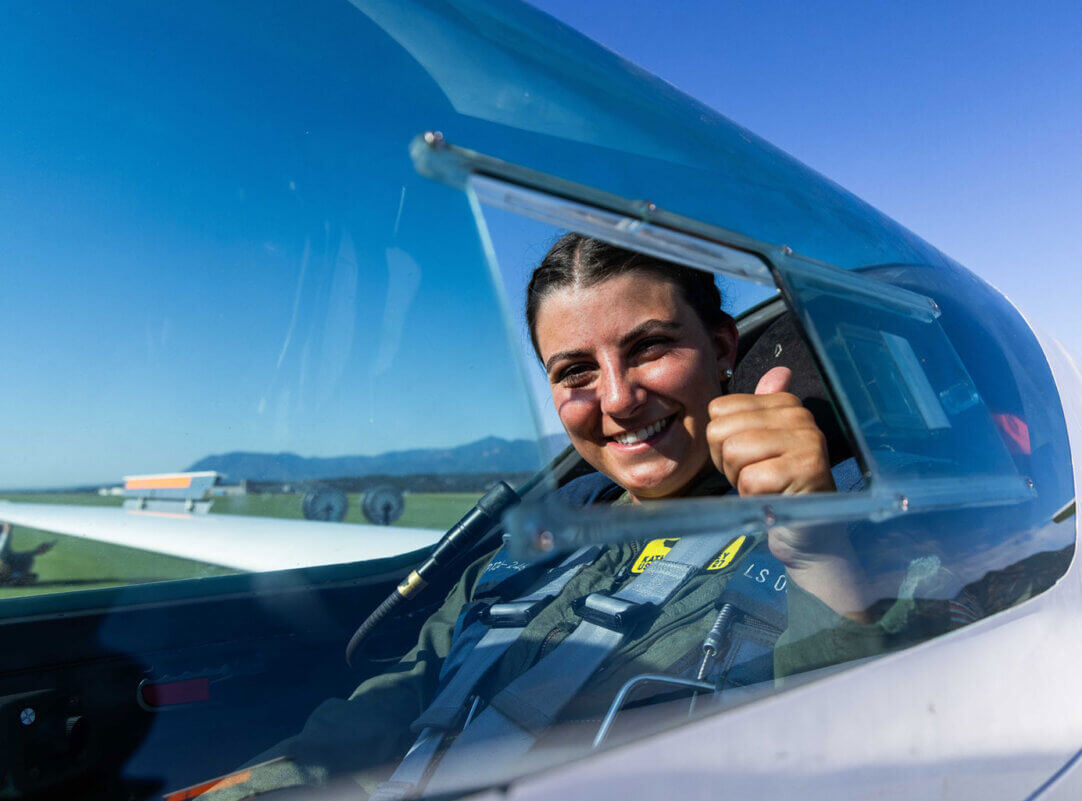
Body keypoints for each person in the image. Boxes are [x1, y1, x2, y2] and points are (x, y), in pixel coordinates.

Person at [202, 234, 887, 800]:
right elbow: (400, 698)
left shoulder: (856, 536)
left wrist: (818, 554)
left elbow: (882, 748)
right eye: (576, 371)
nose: (617, 398)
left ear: (723, 347)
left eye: (649, 347)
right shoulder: (535, 541)